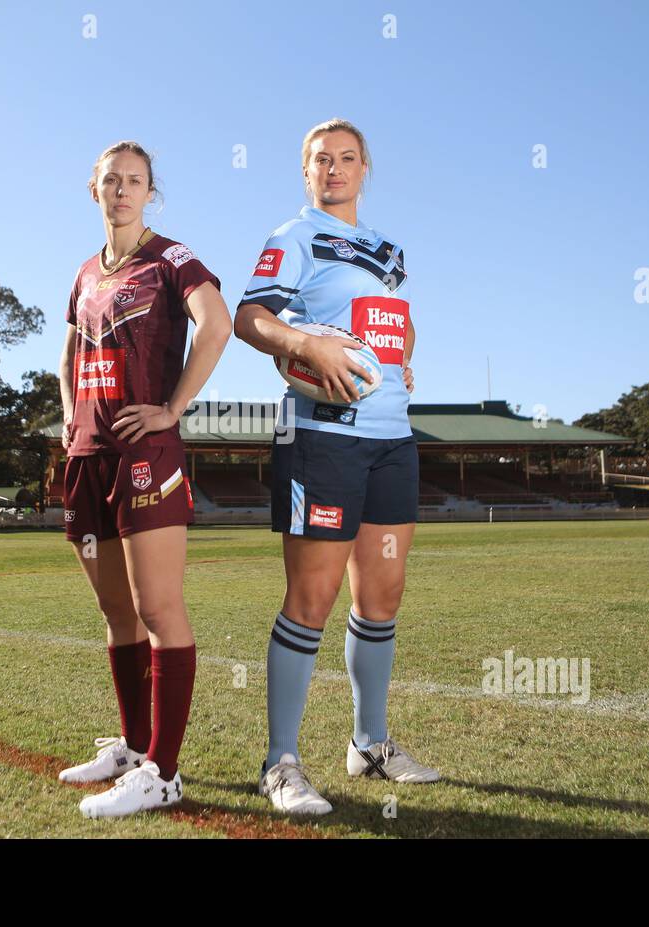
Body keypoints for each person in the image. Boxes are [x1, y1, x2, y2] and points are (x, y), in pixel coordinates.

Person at [233, 118, 438, 815]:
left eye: (347, 158)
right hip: (321, 439)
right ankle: (280, 762)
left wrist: (401, 357)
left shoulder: (389, 250)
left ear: (364, 168)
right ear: (306, 170)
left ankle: (369, 744)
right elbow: (250, 318)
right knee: (312, 599)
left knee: (382, 597)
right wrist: (305, 345)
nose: (334, 169)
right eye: (322, 159)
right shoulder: (294, 236)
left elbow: (399, 320)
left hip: (392, 440)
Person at [57, 140, 230, 817]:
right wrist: (70, 415)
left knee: (158, 608)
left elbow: (217, 326)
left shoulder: (172, 259)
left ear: (150, 193)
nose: (122, 190)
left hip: (144, 453)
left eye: (135, 181)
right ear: (94, 189)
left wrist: (172, 409)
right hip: (87, 455)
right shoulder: (83, 273)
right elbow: (69, 352)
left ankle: (164, 771)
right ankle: (132, 747)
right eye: (111, 180)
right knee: (116, 612)